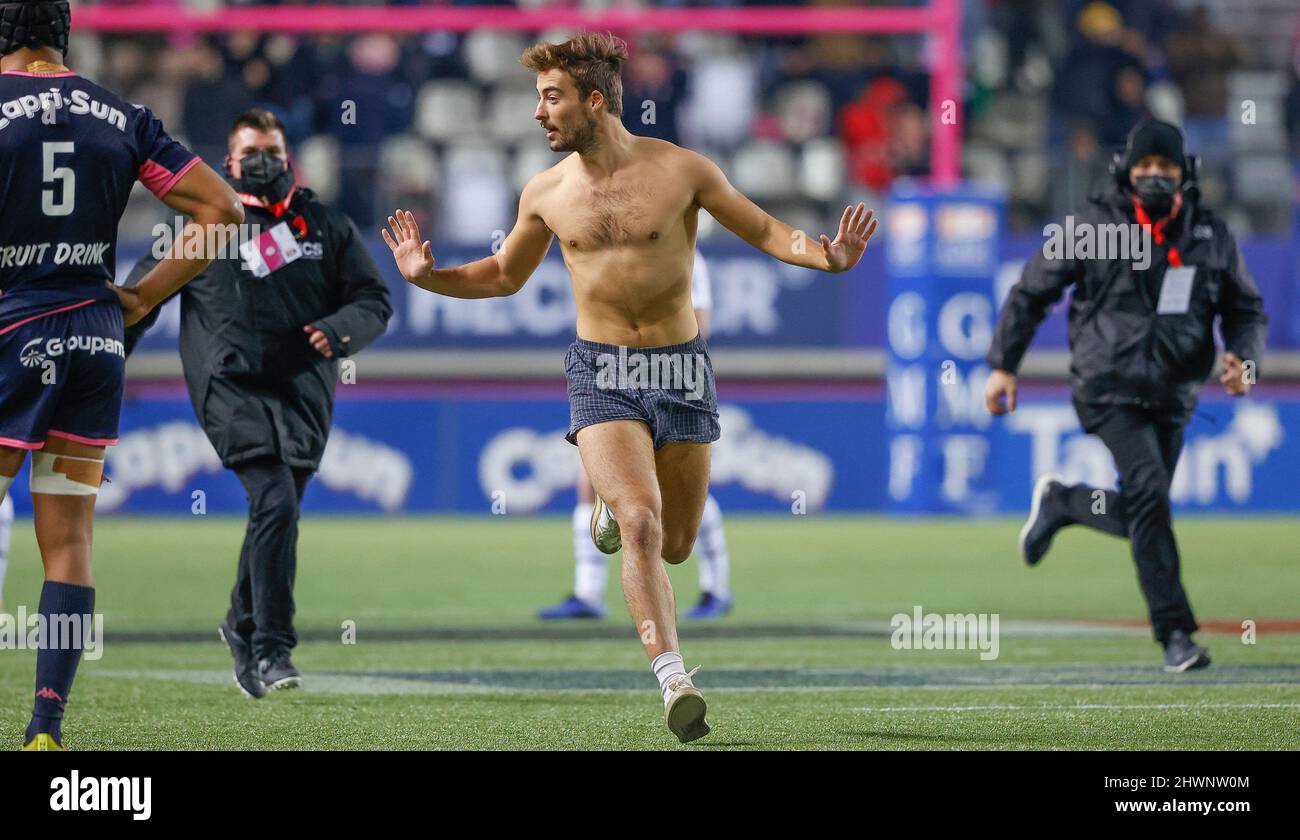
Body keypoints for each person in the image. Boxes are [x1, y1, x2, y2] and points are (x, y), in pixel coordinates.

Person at [384, 32, 876, 742]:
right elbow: (501, 275)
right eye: (535, 99)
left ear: (593, 100)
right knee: (643, 526)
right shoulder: (545, 193)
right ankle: (674, 679)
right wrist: (427, 277)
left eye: (551, 98)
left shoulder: (683, 171)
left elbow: (766, 230)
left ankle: (616, 516)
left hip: (681, 370)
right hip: (602, 372)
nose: (538, 113)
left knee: (676, 543)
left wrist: (827, 256)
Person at [0, 0, 243, 750]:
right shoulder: (120, 113)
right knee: (68, 543)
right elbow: (222, 210)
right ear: (64, 32)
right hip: (96, 337)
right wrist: (145, 293)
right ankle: (45, 728)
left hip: (11, 330)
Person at [125, 109, 392, 699]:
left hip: (303, 392)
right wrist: (103, 364)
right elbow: (139, 302)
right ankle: (271, 647)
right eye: (251, 153)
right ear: (228, 163)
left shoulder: (325, 226)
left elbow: (374, 299)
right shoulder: (199, 227)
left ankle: (238, 621)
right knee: (273, 498)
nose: (263, 162)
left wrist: (340, 330)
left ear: (288, 156)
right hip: (231, 388)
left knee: (280, 509)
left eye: (271, 150)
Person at [985, 118, 1267, 673]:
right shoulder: (1091, 227)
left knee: (1146, 507)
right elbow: (1030, 292)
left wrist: (1245, 360)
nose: (1155, 175)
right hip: (1107, 388)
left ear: (1185, 172)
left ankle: (1065, 503)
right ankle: (1176, 634)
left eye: (1165, 166)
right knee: (1149, 495)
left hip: (1175, 392)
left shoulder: (1211, 235)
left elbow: (1245, 309)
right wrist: (1002, 366)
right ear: (1125, 169)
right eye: (1145, 166)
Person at [538, 251, 734, 621]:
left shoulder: (687, 255)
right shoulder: (608, 247)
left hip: (673, 383)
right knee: (590, 483)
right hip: (614, 382)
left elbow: (700, 324)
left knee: (679, 504)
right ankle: (588, 592)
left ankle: (716, 588)